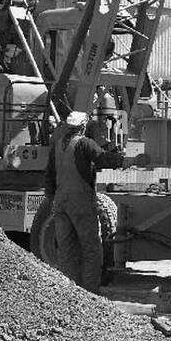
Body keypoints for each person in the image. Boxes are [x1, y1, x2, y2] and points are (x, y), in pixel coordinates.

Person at [42, 112, 124, 291]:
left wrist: (52, 199)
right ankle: (90, 292)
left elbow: (49, 175)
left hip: (60, 202)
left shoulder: (57, 146)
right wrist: (121, 159)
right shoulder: (84, 143)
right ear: (83, 126)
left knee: (66, 248)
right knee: (91, 248)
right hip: (80, 202)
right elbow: (102, 158)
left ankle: (69, 291)